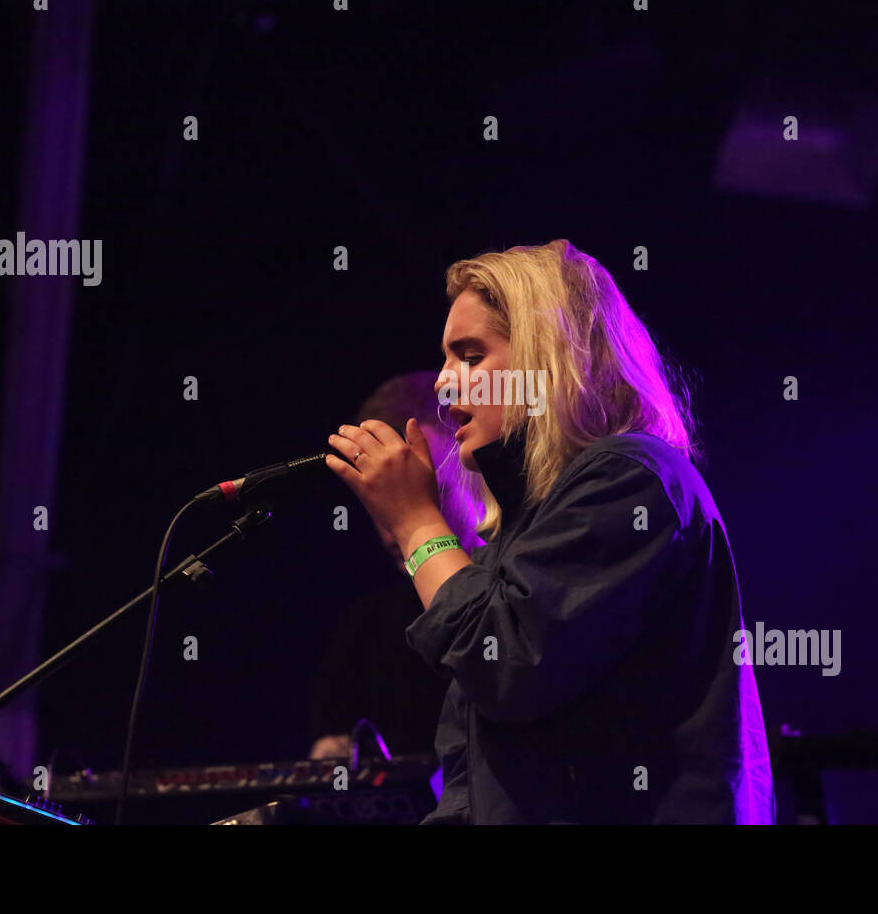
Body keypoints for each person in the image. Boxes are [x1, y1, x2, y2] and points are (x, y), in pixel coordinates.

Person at [325, 238, 775, 823]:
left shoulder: (629, 477)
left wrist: (415, 522)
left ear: (546, 358)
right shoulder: (518, 530)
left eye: (469, 355)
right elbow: (472, 774)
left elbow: (506, 663)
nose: (442, 383)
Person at [308, 373, 484, 761]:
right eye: (381, 494)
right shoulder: (363, 626)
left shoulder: (522, 578)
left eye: (417, 484)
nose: (392, 525)